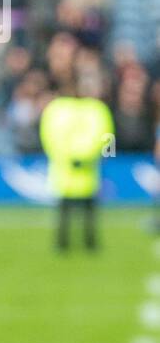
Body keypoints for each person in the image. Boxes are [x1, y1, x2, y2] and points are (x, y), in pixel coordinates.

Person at [40, 72, 114, 253]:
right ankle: (67, 242)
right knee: (69, 209)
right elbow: (108, 137)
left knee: (82, 209)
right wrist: (95, 156)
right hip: (75, 169)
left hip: (71, 169)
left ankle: (82, 242)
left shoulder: (60, 109)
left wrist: (68, 156)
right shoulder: (93, 109)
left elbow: (48, 136)